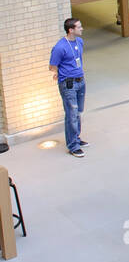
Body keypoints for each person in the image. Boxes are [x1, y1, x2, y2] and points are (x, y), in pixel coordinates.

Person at [48, 17, 87, 157]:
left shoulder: (79, 41)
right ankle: (73, 145)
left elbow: (78, 59)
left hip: (80, 80)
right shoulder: (60, 47)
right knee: (71, 113)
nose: (82, 29)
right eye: (79, 27)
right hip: (68, 84)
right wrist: (59, 74)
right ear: (71, 30)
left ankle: (76, 138)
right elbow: (52, 66)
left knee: (78, 112)